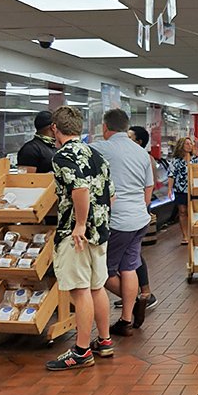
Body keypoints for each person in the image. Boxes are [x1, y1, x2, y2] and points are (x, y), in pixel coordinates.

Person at [45, 106, 115, 371]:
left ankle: (82, 351)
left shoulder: (62, 156)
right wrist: (98, 223)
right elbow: (111, 195)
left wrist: (80, 225)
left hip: (76, 233)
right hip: (101, 232)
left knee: (80, 290)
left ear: (55, 129)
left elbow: (80, 189)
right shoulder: (98, 155)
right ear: (81, 128)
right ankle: (105, 340)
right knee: (97, 287)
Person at [92, 109, 154, 336]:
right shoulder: (141, 153)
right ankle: (126, 319)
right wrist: (141, 208)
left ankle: (136, 302)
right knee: (129, 266)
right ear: (127, 127)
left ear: (104, 128)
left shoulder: (100, 148)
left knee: (103, 271)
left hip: (116, 220)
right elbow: (149, 188)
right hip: (139, 218)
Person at [122, 124, 158, 313]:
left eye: (129, 137)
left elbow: (148, 187)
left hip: (137, 211)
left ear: (139, 142)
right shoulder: (134, 156)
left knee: (133, 254)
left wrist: (143, 208)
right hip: (136, 210)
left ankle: (144, 293)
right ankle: (133, 294)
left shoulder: (145, 158)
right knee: (131, 255)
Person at [167, 137, 198, 245]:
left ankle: (194, 233)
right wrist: (169, 190)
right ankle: (185, 235)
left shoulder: (197, 159)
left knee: (194, 211)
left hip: (194, 189)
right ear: (181, 145)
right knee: (182, 212)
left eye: (190, 144)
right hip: (180, 189)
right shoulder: (175, 161)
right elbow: (171, 175)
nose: (189, 146)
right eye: (187, 144)